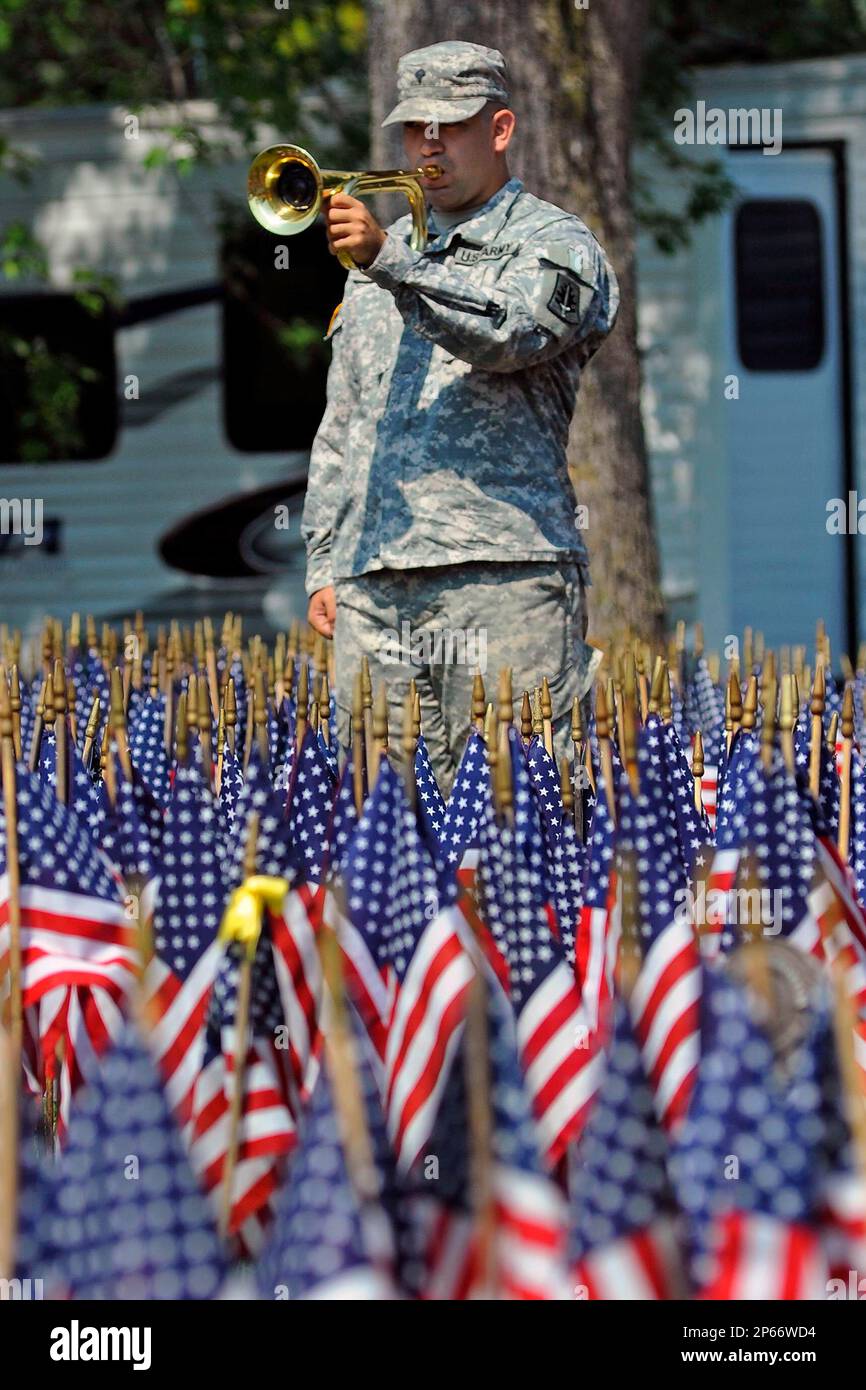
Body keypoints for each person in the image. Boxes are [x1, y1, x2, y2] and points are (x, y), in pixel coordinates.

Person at [301, 39, 619, 795]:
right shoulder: (384, 255)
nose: (429, 143)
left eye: (451, 125)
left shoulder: (554, 243)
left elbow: (511, 334)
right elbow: (344, 420)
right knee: (379, 820)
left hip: (505, 572)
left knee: (522, 808)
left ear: (500, 129)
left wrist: (395, 266)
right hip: (376, 578)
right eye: (415, 128)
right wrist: (324, 558)